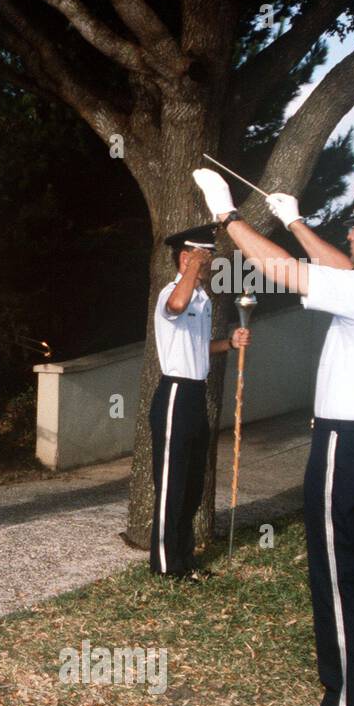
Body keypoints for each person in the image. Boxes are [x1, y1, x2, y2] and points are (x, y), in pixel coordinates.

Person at [194, 169, 354, 706]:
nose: (349, 235)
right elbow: (340, 270)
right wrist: (294, 220)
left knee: (340, 578)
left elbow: (282, 271)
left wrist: (228, 216)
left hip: (345, 447)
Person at [149, 224, 251, 580]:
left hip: (195, 394)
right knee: (171, 483)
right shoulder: (171, 294)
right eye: (202, 256)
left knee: (192, 484)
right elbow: (176, 306)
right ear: (185, 257)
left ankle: (184, 558)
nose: (208, 262)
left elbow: (198, 347)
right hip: (175, 392)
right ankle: (164, 565)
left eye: (209, 256)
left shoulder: (203, 299)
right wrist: (191, 267)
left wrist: (230, 344)